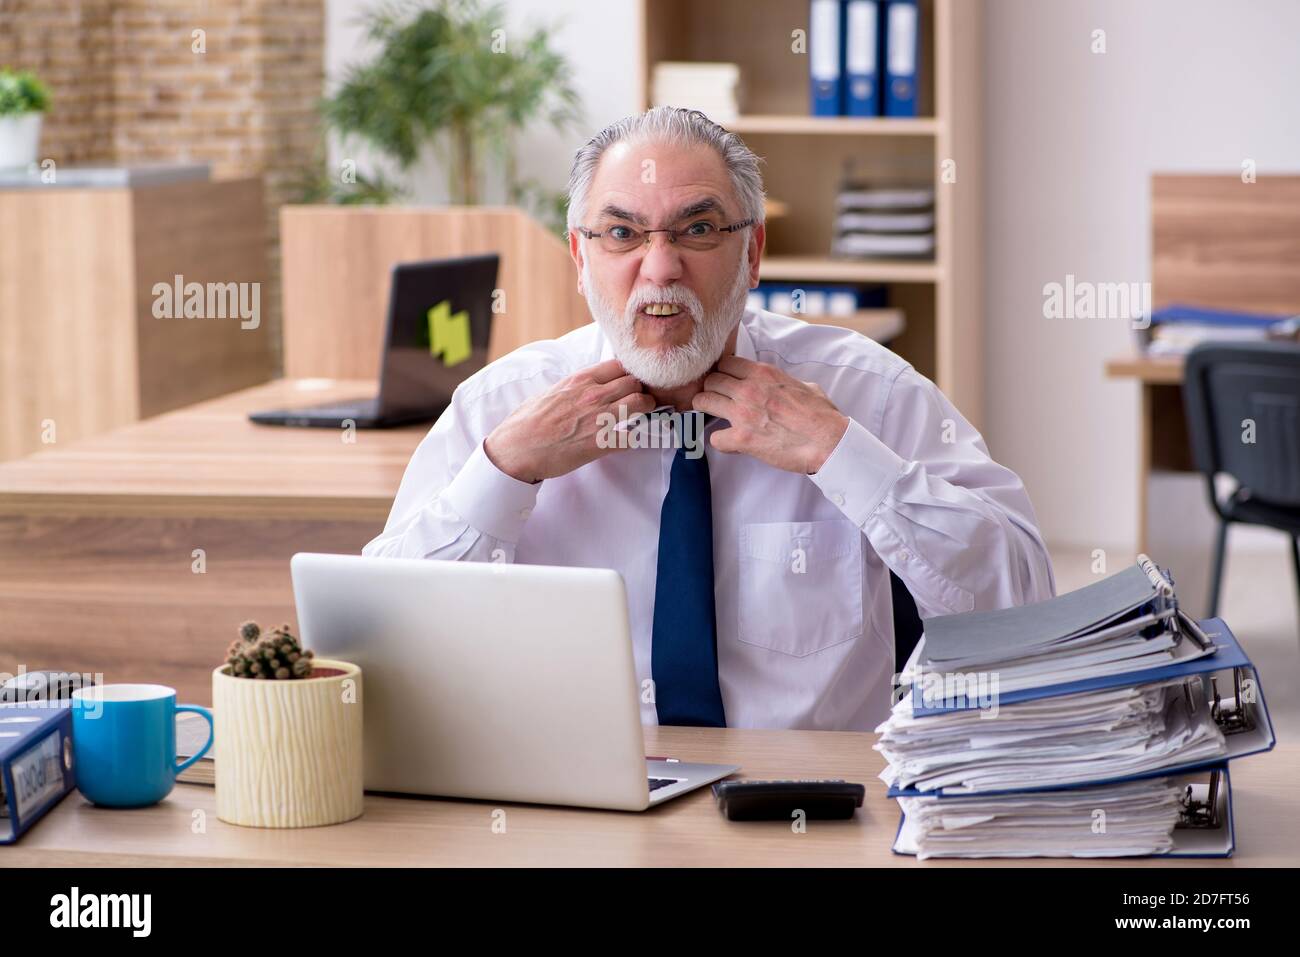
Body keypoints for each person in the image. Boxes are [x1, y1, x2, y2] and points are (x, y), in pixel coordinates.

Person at [364, 106, 1055, 731]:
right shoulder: (499, 407)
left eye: (697, 229)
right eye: (622, 233)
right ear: (580, 257)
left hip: (806, 805)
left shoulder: (868, 392)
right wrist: (503, 471)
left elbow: (1022, 603)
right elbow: (380, 642)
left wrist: (844, 455)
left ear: (751, 254)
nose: (660, 268)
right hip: (573, 806)